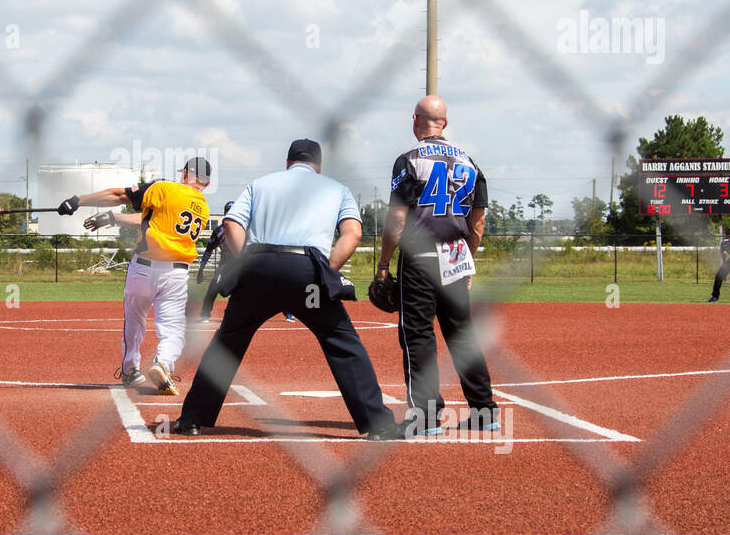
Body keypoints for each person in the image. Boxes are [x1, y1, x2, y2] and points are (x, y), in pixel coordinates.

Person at [173, 139, 404, 440]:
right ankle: (378, 424)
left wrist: (246, 262)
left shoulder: (260, 184)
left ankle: (192, 419)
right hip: (307, 270)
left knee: (227, 343)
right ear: (318, 166)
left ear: (288, 162)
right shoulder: (336, 188)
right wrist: (327, 271)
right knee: (342, 342)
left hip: (259, 267)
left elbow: (231, 223)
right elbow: (353, 233)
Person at [378, 95, 497, 435]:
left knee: (418, 335)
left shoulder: (409, 160)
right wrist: (467, 260)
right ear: (445, 123)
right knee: (462, 335)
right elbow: (477, 223)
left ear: (415, 120)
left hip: (421, 256)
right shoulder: (470, 163)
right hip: (456, 253)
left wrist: (384, 264)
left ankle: (428, 417)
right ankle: (485, 410)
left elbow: (397, 221)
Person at [59, 156, 212, 394]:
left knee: (134, 322)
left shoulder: (163, 188)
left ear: (184, 173)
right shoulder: (202, 207)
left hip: (143, 268)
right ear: (207, 184)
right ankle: (163, 363)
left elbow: (119, 195)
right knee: (173, 330)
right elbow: (148, 222)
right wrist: (113, 218)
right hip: (176, 273)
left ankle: (130, 370)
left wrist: (79, 200)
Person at [197, 202, 294, 323]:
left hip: (244, 264)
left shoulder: (246, 229)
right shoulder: (219, 231)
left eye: (232, 211)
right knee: (213, 288)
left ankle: (289, 313)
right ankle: (205, 315)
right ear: (224, 213)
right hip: (225, 266)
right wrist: (201, 270)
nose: (230, 213)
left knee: (269, 286)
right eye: (227, 211)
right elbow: (208, 251)